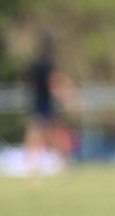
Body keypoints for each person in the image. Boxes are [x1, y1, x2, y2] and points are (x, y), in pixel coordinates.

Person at [23, 33, 76, 176]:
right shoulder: (46, 66)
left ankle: (37, 168)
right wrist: (66, 100)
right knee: (45, 136)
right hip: (43, 105)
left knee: (40, 137)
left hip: (37, 105)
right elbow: (55, 83)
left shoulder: (35, 65)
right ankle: (54, 166)